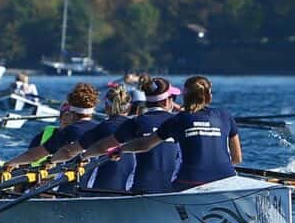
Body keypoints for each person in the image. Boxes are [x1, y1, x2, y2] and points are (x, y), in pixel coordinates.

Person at [95, 76, 240, 191]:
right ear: (209, 96)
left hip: (189, 182)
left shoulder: (177, 120)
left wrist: (120, 149)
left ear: (185, 97)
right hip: (226, 179)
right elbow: (237, 159)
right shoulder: (225, 115)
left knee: (166, 186)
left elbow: (145, 144)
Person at [84, 77, 181, 194]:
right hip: (171, 191)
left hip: (139, 191)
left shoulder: (135, 122)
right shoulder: (179, 122)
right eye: (173, 98)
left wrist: (83, 156)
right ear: (165, 101)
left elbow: (102, 147)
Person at [2, 83, 100, 171]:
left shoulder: (69, 131)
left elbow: (33, 156)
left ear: (71, 113)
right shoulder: (101, 128)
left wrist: (10, 163)